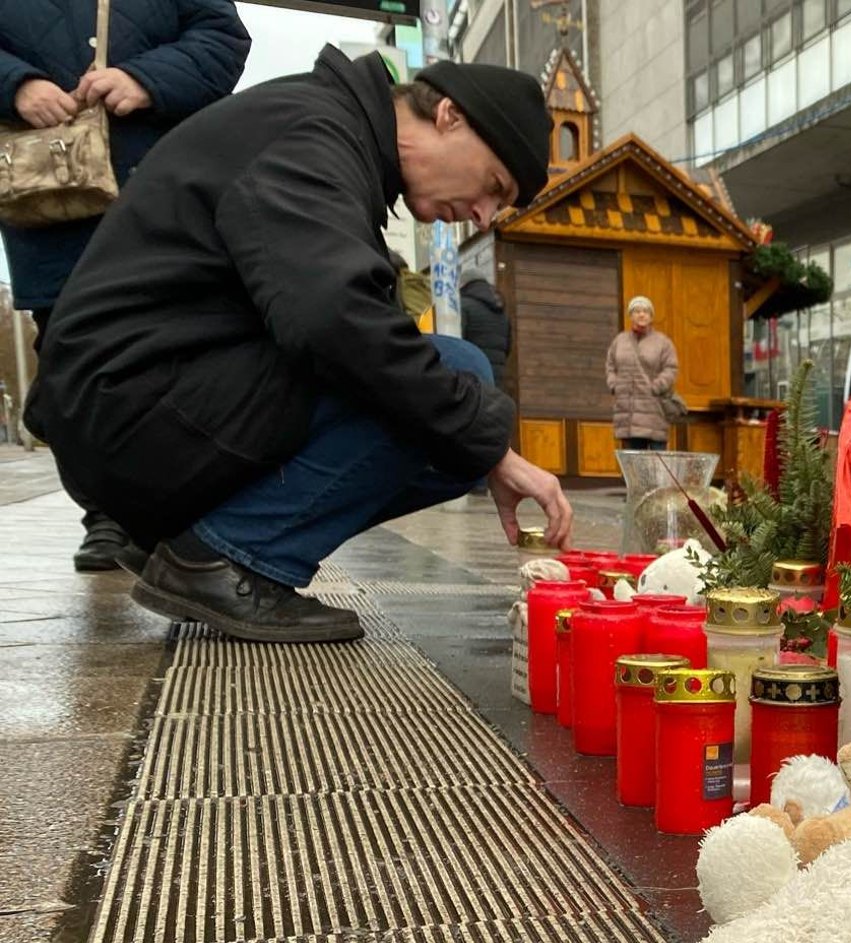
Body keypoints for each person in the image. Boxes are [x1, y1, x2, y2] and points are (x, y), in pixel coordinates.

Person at [26, 48, 574, 644]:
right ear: (449, 116)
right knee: (456, 375)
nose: (482, 216)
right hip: (128, 410)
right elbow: (334, 321)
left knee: (453, 420)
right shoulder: (312, 136)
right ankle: (225, 560)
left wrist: (478, 443)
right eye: (494, 186)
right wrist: (491, 445)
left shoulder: (331, 135)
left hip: (138, 403)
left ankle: (201, 534)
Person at [0, 0, 251, 573]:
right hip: (51, 200)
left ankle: (186, 510)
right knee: (72, 368)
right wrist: (17, 85)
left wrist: (145, 78)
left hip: (165, 194)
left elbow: (224, 38)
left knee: (185, 354)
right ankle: (106, 516)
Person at [607, 295, 680, 451]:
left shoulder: (662, 342)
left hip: (654, 411)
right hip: (627, 415)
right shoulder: (620, 341)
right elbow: (610, 364)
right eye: (637, 311)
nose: (641, 314)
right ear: (630, 315)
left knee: (656, 466)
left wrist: (656, 387)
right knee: (632, 467)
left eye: (646, 311)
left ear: (651, 316)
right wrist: (614, 384)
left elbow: (671, 368)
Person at [460, 276, 511, 382]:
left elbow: (458, 341)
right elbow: (508, 345)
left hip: (473, 370)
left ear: (464, 284)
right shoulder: (501, 310)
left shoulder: (463, 305)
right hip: (497, 372)